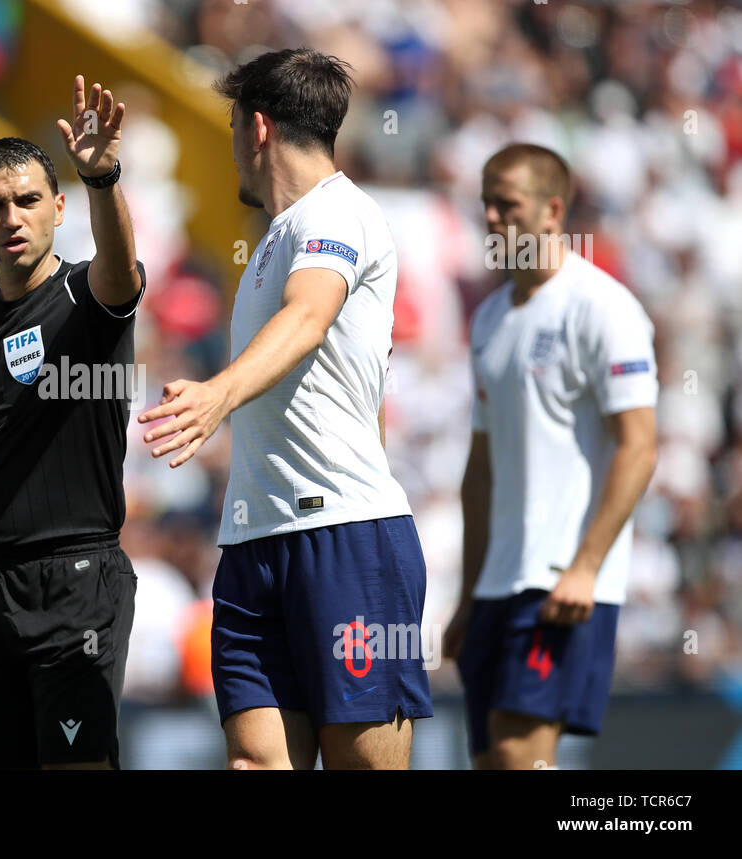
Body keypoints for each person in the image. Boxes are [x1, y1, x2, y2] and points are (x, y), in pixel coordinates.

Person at [138, 48, 431, 769]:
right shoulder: (277, 236)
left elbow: (308, 316)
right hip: (254, 540)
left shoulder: (340, 213)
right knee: (254, 763)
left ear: (258, 128)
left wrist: (217, 393)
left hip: (344, 534)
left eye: (233, 127)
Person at [0, 76, 144, 769]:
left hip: (74, 577)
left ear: (59, 207)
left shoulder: (87, 294)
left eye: (28, 200)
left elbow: (121, 270)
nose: (11, 218)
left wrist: (102, 177)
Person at [443, 143, 658, 769]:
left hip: (563, 576)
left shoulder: (602, 306)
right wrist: (468, 595)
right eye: (485, 203)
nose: (491, 217)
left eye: (506, 203)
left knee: (519, 754)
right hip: (497, 582)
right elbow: (480, 471)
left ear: (553, 210)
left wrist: (586, 566)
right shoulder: (488, 319)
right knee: (492, 761)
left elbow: (640, 446)